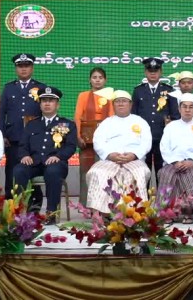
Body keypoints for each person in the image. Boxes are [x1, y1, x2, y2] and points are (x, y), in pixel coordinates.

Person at [13, 86, 77, 223]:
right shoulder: (31, 124)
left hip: (56, 163)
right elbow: (22, 145)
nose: (47, 104)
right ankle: (22, 211)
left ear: (57, 104)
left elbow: (71, 147)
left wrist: (58, 156)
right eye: (44, 101)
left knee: (53, 172)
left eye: (51, 101)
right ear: (40, 104)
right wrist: (24, 156)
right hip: (34, 162)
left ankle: (51, 212)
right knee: (19, 170)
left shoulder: (67, 124)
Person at [89, 90, 152, 214]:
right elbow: (98, 142)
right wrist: (110, 155)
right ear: (113, 105)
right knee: (96, 172)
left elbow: (146, 143)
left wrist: (133, 155)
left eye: (124, 101)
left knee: (139, 173)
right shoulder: (106, 123)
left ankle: (134, 213)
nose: (121, 104)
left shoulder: (140, 122)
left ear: (130, 104)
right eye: (118, 101)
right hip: (110, 159)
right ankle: (102, 212)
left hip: (134, 159)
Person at [0, 53, 46, 201]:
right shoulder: (8, 88)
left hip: (34, 139)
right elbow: (1, 113)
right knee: (11, 171)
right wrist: (2, 135)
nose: (23, 69)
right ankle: (10, 205)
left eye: (27, 66)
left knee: (33, 171)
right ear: (16, 69)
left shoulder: (41, 87)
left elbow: (46, 112)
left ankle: (34, 205)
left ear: (32, 68)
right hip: (13, 138)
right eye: (20, 66)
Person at [159, 93, 193, 223]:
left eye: (191, 107)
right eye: (184, 107)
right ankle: (168, 211)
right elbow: (164, 147)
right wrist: (175, 162)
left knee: (189, 173)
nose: (187, 110)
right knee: (166, 172)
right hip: (173, 163)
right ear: (179, 109)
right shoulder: (171, 126)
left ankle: (187, 211)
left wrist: (192, 161)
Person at [131, 57, 179, 179]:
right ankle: (144, 198)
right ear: (145, 72)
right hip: (143, 138)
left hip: (162, 137)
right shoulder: (138, 91)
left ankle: (161, 198)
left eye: (156, 71)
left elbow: (175, 115)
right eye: (150, 71)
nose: (153, 73)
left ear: (161, 72)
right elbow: (133, 115)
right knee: (142, 172)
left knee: (162, 172)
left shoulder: (168, 90)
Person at [74, 67, 114, 207]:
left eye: (100, 77)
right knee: (86, 172)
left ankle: (103, 205)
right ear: (90, 80)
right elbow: (78, 117)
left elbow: (111, 118)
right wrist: (78, 136)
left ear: (105, 80)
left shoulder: (110, 95)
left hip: (104, 141)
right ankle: (85, 205)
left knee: (104, 172)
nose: (97, 80)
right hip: (87, 141)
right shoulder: (83, 96)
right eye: (94, 77)